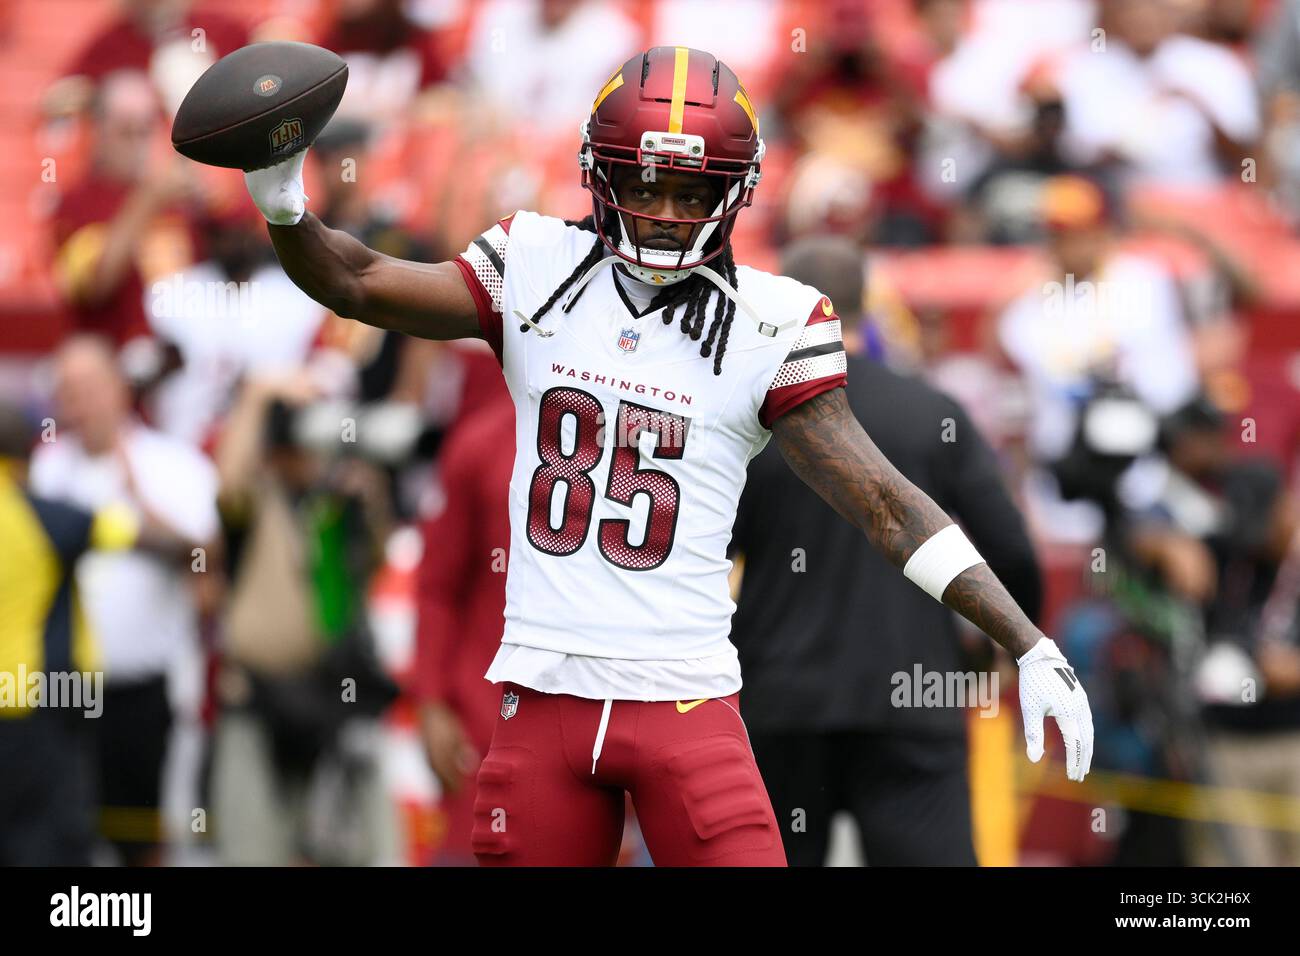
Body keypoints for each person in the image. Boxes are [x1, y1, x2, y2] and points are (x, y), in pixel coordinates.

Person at [237, 46, 1094, 867]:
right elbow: (355, 281)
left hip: (685, 700)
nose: (667, 212)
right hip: (543, 692)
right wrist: (284, 204)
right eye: (644, 182)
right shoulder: (535, 265)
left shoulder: (772, 321)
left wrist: (1025, 640)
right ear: (598, 172)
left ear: (738, 193)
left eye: (694, 191)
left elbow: (884, 501)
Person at [730, 236, 1042, 865]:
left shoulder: (746, 415)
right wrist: (1009, 645)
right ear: (865, 308)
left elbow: (697, 551)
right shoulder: (931, 411)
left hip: (780, 698)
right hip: (913, 695)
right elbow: (1009, 543)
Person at [28, 336, 220, 865]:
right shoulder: (44, 469)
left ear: (119, 389)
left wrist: (140, 508)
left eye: (89, 388)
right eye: (67, 391)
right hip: (63, 690)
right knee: (66, 832)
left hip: (146, 689)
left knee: (145, 834)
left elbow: (209, 560)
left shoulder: (173, 465)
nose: (78, 403)